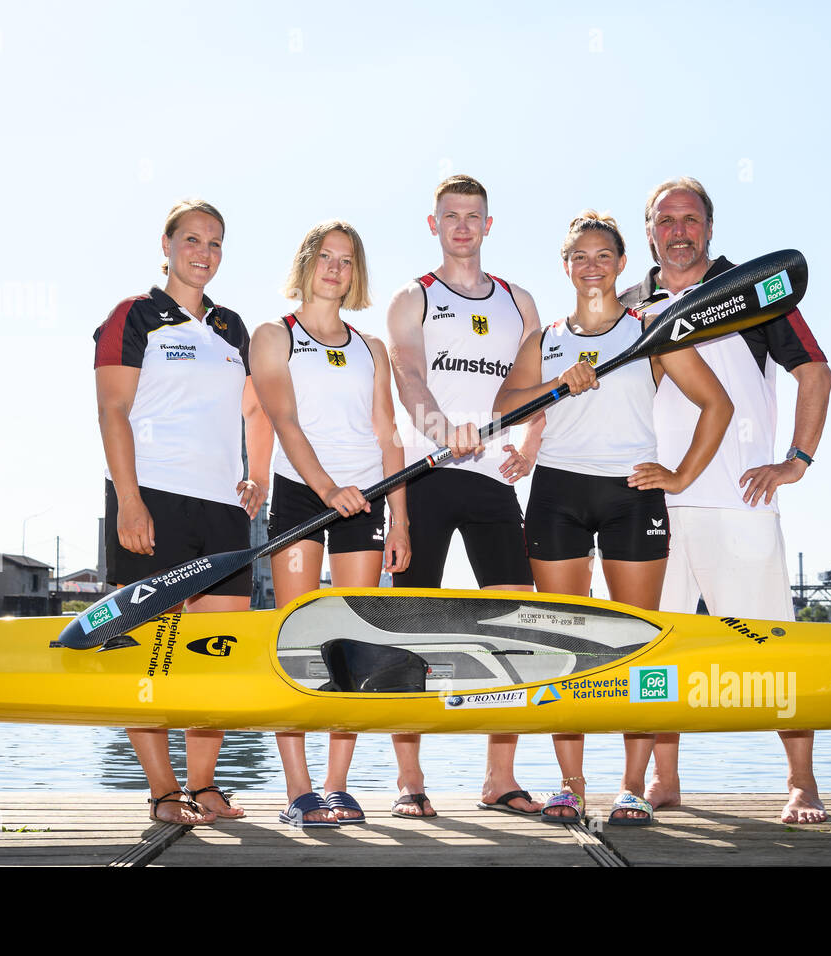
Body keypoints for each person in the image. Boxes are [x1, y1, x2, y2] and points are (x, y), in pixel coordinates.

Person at [494, 211, 732, 826]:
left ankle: (631, 787)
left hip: (631, 494)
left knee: (638, 643)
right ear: (566, 267)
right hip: (558, 492)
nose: (592, 266)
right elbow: (503, 407)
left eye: (604, 255)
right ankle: (570, 786)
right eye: (580, 256)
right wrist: (556, 384)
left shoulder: (649, 329)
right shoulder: (544, 339)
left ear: (622, 264)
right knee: (562, 643)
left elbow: (717, 404)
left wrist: (679, 476)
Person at [618, 178, 831, 825]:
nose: (678, 231)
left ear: (709, 228)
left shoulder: (755, 289)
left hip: (739, 498)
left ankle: (802, 783)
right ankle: (663, 782)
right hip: (649, 503)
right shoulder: (629, 303)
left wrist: (796, 460)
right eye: (665, 221)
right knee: (652, 654)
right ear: (649, 232)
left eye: (690, 219)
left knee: (773, 650)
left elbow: (816, 371)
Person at [93, 199, 272, 825]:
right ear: (166, 245)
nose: (204, 252)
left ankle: (205, 785)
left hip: (223, 508)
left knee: (215, 658)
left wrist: (258, 473)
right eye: (192, 239)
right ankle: (163, 790)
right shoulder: (133, 315)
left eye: (215, 243)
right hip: (154, 497)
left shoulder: (231, 327)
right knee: (146, 655)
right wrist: (129, 500)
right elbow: (113, 410)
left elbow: (254, 409)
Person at [385, 174, 545, 818]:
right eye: (450, 215)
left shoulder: (519, 301)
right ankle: (410, 780)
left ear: (488, 224)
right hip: (426, 476)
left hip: (492, 481)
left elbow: (536, 384)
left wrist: (530, 441)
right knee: (408, 632)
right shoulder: (413, 297)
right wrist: (440, 429)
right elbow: (407, 374)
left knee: (512, 628)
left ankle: (498, 779)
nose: (461, 226)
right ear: (434, 224)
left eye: (472, 215)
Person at [250, 220, 411, 828]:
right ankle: (298, 791)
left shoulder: (371, 348)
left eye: (347, 259)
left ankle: (336, 786)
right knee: (295, 640)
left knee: (353, 642)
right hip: (302, 498)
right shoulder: (274, 335)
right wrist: (326, 490)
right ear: (306, 262)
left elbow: (388, 435)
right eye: (325, 256)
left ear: (355, 272)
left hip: (365, 501)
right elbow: (284, 421)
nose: (335, 267)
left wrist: (400, 519)